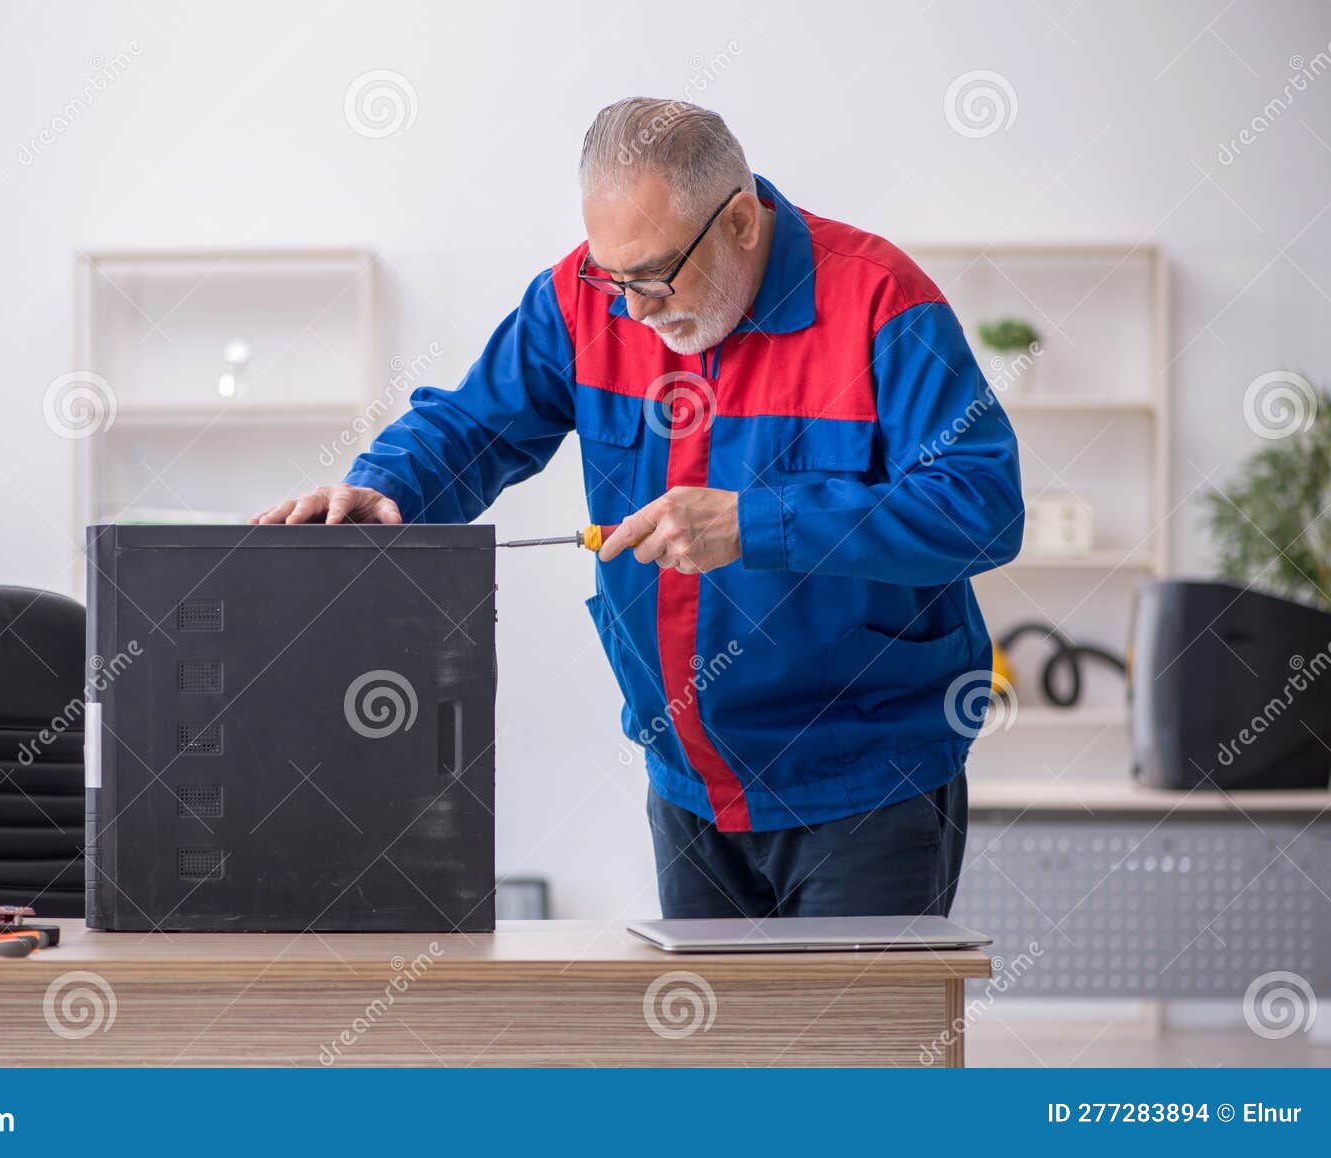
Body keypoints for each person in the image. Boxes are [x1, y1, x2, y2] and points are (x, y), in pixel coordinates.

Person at [254, 97, 1023, 919]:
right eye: (611, 275)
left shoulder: (881, 301)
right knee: (709, 1048)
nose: (632, 308)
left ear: (739, 223)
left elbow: (980, 506)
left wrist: (756, 522)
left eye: (653, 276)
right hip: (688, 784)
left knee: (842, 1050)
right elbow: (472, 424)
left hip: (868, 787)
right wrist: (387, 487)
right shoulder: (582, 298)